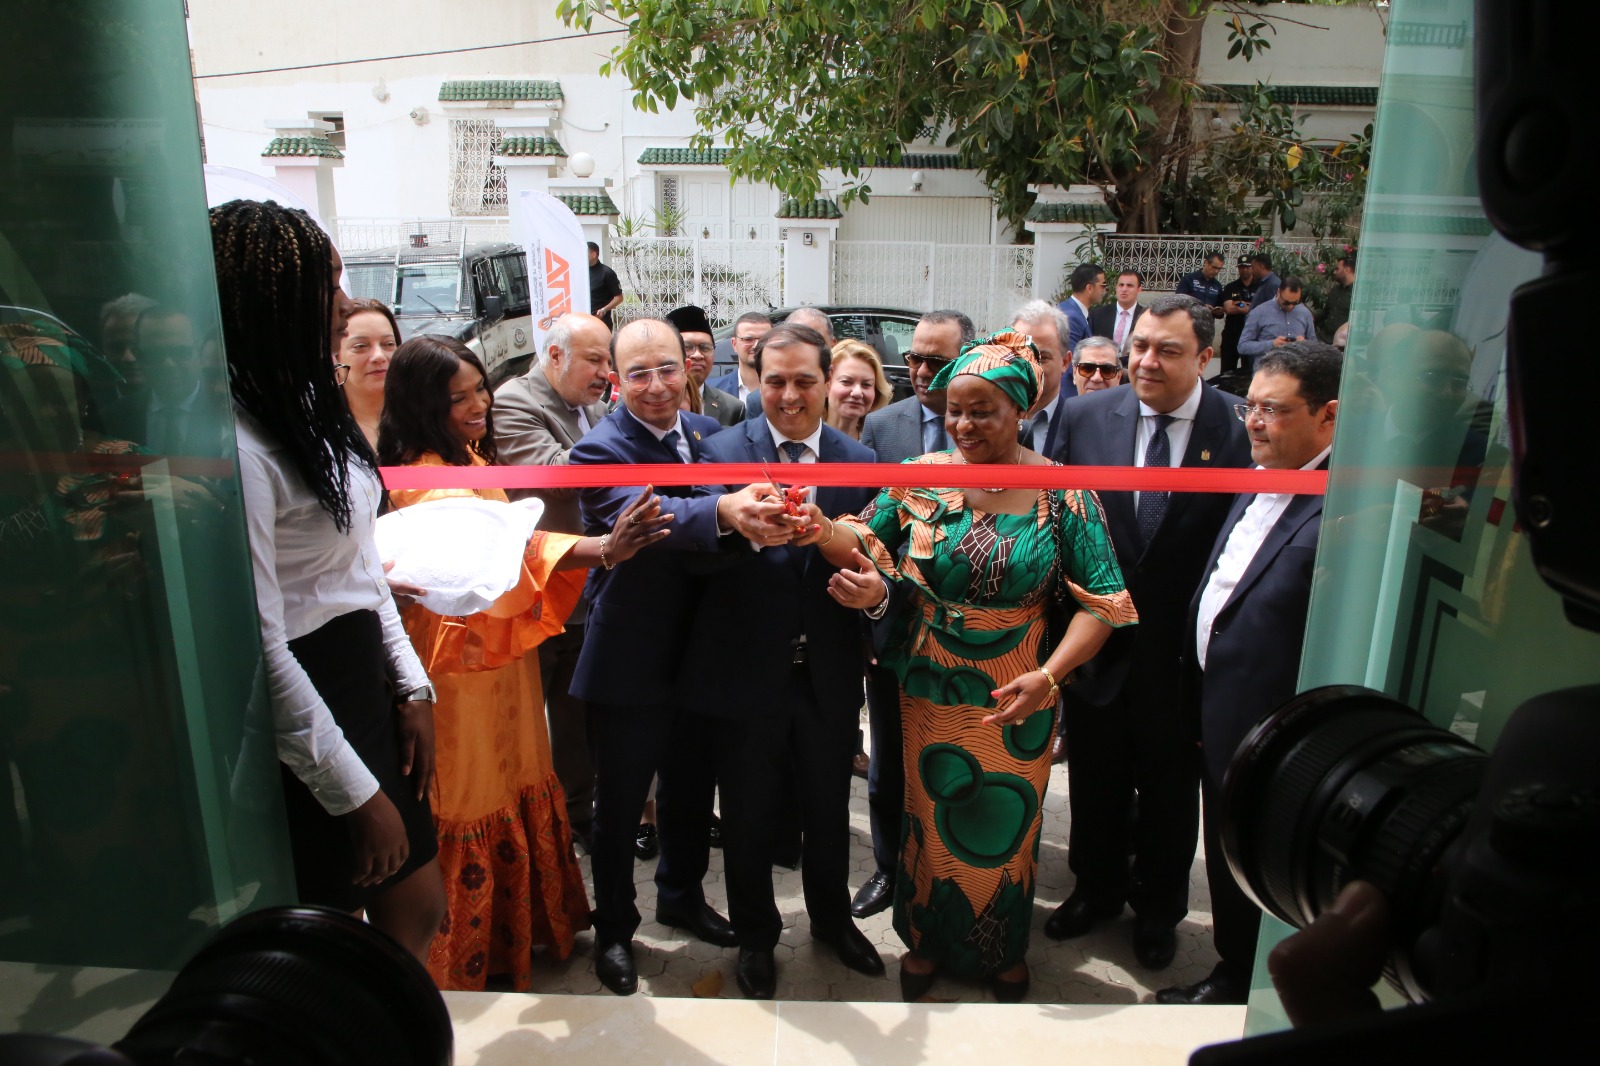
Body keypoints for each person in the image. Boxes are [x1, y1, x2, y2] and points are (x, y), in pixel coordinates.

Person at [819, 330, 1136, 1002]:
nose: (962, 425)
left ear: (1021, 410)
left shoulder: (1063, 493)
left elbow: (1105, 604)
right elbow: (863, 538)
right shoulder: (921, 476)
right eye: (953, 410)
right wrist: (812, 527)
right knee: (929, 818)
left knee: (1009, 830)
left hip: (1019, 688)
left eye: (981, 411)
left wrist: (1050, 676)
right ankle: (927, 940)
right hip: (932, 683)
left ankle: (999, 949)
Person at [378, 335, 669, 990]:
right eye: (459, 397)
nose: (479, 404)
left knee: (516, 771)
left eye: (480, 387)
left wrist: (597, 548)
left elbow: (511, 544)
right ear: (422, 405)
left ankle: (522, 929)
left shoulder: (466, 458)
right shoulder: (424, 477)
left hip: (496, 653)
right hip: (455, 664)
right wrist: (599, 549)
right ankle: (466, 953)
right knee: (471, 787)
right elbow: (499, 550)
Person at [212, 198, 445, 962]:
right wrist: (355, 793)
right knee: (338, 942)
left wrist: (409, 685)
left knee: (417, 906)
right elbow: (262, 643)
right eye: (328, 285)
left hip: (362, 681)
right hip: (305, 705)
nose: (345, 305)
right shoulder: (239, 447)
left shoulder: (308, 412)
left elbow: (358, 566)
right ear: (267, 302)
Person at [568, 317, 788, 996]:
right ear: (615, 380)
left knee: (689, 795)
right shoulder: (598, 451)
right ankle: (614, 929)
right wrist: (728, 512)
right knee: (622, 804)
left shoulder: (703, 438)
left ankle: (680, 897)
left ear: (690, 367)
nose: (657, 385)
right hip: (633, 657)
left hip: (704, 653)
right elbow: (658, 518)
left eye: (668, 368)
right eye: (639, 374)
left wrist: (752, 521)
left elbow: (718, 525)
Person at [1046, 294, 1251, 972]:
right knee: (1096, 783)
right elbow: (1056, 523)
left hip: (1180, 663)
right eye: (1139, 346)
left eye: (1166, 349)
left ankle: (1158, 911)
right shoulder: (1084, 416)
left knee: (1169, 796)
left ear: (1205, 356)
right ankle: (1095, 890)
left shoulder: (1240, 431)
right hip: (1096, 649)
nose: (1145, 361)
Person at [686, 322, 885, 998]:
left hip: (828, 676)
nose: (790, 396)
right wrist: (735, 528)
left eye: (804, 381)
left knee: (829, 812)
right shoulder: (716, 456)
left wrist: (868, 585)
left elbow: (879, 558)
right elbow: (694, 564)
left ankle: (832, 921)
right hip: (745, 677)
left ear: (829, 382)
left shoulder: (859, 462)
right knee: (747, 816)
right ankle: (757, 937)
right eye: (775, 381)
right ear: (754, 379)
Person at [1157, 340, 1340, 1007]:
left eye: (1273, 410)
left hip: (1279, 737)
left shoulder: (1345, 511)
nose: (1254, 423)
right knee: (1230, 857)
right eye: (1250, 409)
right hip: (1218, 712)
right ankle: (1236, 967)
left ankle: (1254, 982)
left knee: (1265, 863)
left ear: (1328, 418)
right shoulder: (1262, 474)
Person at [851, 307, 974, 922]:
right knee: (891, 757)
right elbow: (869, 530)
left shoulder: (999, 430)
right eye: (915, 358)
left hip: (978, 643)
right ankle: (887, 869)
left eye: (937, 360)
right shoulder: (882, 428)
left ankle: (959, 872)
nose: (921, 370)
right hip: (894, 624)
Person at [489, 312, 613, 848]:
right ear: (556, 356)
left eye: (609, 360)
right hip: (543, 587)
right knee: (544, 710)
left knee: (579, 708)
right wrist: (622, 433)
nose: (607, 373)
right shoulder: (515, 403)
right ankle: (549, 820)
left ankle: (583, 809)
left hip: (591, 585)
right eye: (596, 360)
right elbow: (557, 479)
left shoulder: (594, 406)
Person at [1011, 300, 1074, 455]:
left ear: (1065, 362)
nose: (1029, 367)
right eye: (1020, 355)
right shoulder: (986, 422)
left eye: (1042, 358)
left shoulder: (1083, 427)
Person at [337, 298, 400, 450]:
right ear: (334, 356)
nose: (379, 356)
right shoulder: (316, 429)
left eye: (388, 344)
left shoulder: (428, 421)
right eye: (361, 346)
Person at [666, 304, 743, 427]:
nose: (697, 355)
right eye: (687, 347)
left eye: (705, 348)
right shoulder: (651, 402)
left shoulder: (732, 408)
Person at [1238, 277, 1315, 370]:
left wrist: (1305, 344)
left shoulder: (1305, 313)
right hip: (1267, 374)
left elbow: (1314, 343)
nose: (1290, 306)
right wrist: (1272, 344)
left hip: (1296, 375)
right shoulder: (1259, 312)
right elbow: (1242, 346)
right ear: (1278, 292)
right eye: (1286, 302)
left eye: (1295, 302)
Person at [825, 338, 892, 439]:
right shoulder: (803, 438)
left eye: (866, 385)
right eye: (846, 382)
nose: (857, 392)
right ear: (827, 384)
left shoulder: (880, 444)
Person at [708, 310, 770, 405]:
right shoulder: (712, 391)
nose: (756, 345)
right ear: (734, 344)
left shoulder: (784, 392)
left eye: (763, 339)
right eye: (748, 339)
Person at [1090, 269, 1146, 356]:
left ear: (1139, 289)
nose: (1124, 289)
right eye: (1121, 285)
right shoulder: (1097, 315)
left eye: (1129, 286)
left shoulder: (1145, 317)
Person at [1217, 256, 1257, 376]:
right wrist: (1249, 307)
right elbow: (1228, 308)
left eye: (1246, 267)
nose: (1244, 270)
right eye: (1241, 267)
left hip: (1251, 335)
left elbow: (1262, 310)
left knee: (1249, 371)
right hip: (1232, 334)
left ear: (1252, 268)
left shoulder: (1259, 287)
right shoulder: (1231, 287)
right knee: (1227, 372)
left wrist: (1240, 304)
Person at [1056, 262, 1105, 351]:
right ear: (1089, 288)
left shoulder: (1069, 308)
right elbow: (1068, 358)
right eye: (1103, 285)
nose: (1104, 290)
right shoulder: (1072, 317)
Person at [1316, 254, 1356, 343]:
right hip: (1324, 338)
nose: (1334, 272)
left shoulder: (1357, 293)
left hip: (1342, 343)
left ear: (1347, 270)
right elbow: (1326, 311)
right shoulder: (1335, 290)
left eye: (1337, 269)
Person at [588, 241, 623, 328]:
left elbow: (619, 298)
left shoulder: (607, 273)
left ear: (593, 254)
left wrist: (604, 310)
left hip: (601, 322)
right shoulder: (581, 272)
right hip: (583, 321)